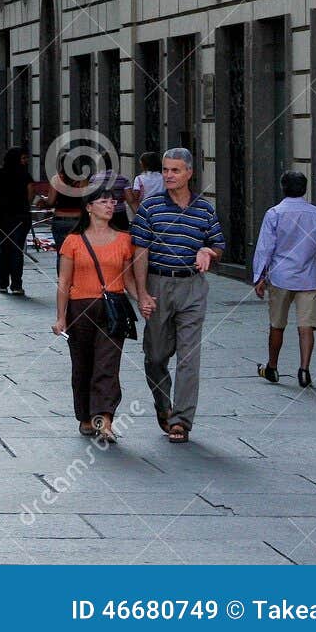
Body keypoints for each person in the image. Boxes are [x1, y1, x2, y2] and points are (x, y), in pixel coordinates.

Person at [128, 148, 226, 443]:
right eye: (166, 170)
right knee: (155, 355)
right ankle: (163, 404)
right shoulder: (151, 207)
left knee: (189, 356)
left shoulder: (205, 209)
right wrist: (142, 293)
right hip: (158, 284)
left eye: (175, 170)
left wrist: (207, 250)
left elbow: (218, 245)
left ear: (189, 174)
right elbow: (140, 252)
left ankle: (181, 420)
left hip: (192, 286)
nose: (169, 175)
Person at [52, 189, 139, 443]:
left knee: (108, 365)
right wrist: (60, 317)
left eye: (113, 201)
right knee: (82, 365)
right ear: (89, 207)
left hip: (114, 307)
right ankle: (85, 416)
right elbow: (64, 281)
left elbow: (129, 279)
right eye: (103, 201)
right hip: (79, 308)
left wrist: (142, 300)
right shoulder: (73, 241)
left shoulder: (125, 239)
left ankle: (104, 420)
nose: (110, 205)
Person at [253, 170, 316, 388]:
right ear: (305, 189)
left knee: (277, 325)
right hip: (308, 277)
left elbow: (265, 248)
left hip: (281, 277)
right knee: (306, 326)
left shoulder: (274, 213)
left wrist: (259, 276)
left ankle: (272, 367)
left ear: (283, 188)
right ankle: (304, 370)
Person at [0, 148, 33, 295]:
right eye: (23, 158)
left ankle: (3, 282)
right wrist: (24, 205)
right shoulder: (25, 175)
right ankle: (16, 284)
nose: (26, 161)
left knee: (5, 248)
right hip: (20, 217)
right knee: (17, 249)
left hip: (1, 217)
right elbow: (31, 192)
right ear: (16, 159)